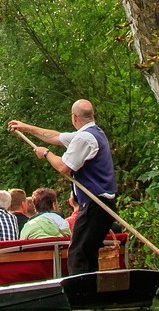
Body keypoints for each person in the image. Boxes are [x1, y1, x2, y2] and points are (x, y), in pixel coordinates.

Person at [8, 99, 118, 274]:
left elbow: (64, 167)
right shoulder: (93, 133)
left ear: (74, 117)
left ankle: (82, 294)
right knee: (87, 251)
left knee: (77, 253)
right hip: (101, 203)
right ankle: (92, 289)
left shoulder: (84, 138)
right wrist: (25, 127)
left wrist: (46, 153)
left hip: (95, 203)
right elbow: (54, 136)